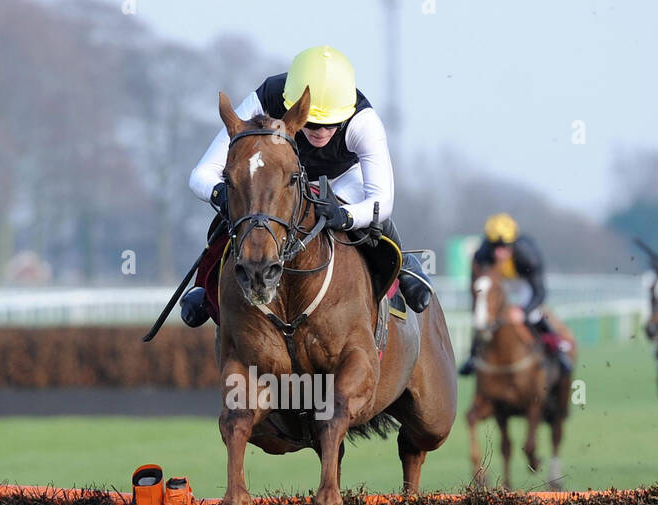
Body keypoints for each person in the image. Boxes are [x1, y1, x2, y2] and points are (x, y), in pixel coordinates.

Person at [179, 46, 433, 327]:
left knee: (371, 222)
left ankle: (402, 268)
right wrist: (226, 194)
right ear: (292, 108)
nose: (321, 132)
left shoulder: (364, 121)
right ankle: (206, 285)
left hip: (342, 181)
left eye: (331, 124)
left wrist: (346, 216)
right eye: (311, 123)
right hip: (279, 183)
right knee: (245, 210)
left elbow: (381, 201)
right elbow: (201, 174)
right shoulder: (266, 99)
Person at [458, 213, 573, 376]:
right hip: (497, 283)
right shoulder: (482, 255)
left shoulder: (528, 256)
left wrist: (522, 311)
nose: (499, 252)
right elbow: (476, 286)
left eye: (504, 246)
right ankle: (473, 356)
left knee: (534, 314)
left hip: (522, 282)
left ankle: (558, 352)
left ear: (512, 243)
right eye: (494, 246)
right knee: (483, 317)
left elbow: (540, 292)